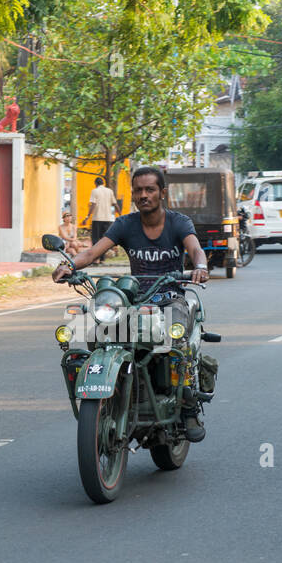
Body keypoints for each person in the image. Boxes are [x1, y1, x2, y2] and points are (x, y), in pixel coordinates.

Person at [54, 166, 212, 441]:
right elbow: (92, 252)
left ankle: (187, 406)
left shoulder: (178, 222)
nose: (144, 195)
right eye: (138, 190)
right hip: (133, 300)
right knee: (98, 330)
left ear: (162, 193)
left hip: (169, 298)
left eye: (150, 189)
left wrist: (199, 266)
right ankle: (114, 390)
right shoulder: (126, 224)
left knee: (177, 342)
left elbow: (196, 249)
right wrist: (68, 266)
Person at [87, 176, 119, 247]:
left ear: (95, 183)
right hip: (108, 219)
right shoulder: (110, 191)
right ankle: (102, 257)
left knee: (95, 238)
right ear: (103, 183)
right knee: (104, 239)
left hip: (97, 218)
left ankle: (95, 255)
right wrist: (120, 214)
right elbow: (115, 204)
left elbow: (93, 204)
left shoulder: (95, 191)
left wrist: (87, 216)